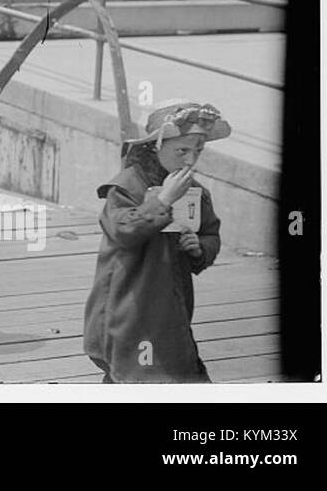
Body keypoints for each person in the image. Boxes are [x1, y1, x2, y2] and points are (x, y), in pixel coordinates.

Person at [84, 101, 227, 383]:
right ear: (155, 146)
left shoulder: (194, 191)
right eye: (181, 151)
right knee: (135, 371)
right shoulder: (126, 187)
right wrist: (163, 201)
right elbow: (122, 229)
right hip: (128, 304)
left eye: (197, 151)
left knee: (172, 368)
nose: (190, 160)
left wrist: (199, 248)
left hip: (171, 307)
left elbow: (210, 233)